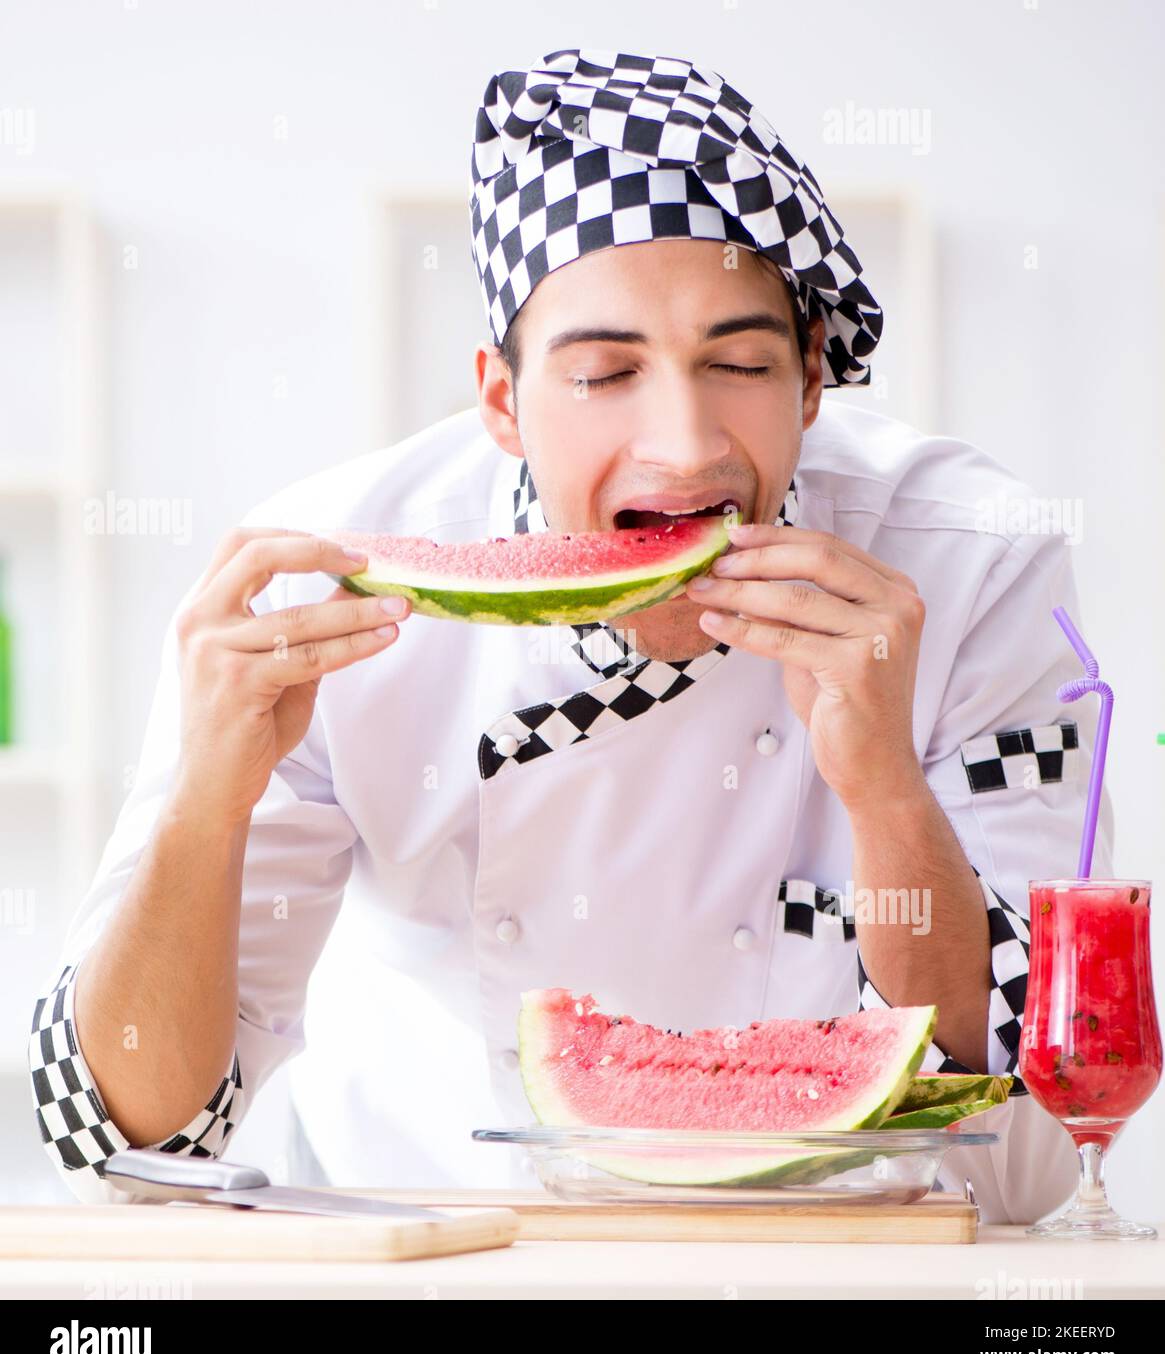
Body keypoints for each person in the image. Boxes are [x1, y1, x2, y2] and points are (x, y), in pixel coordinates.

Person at [29, 48, 1107, 1222]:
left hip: (839, 1270)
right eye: (604, 374)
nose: (686, 445)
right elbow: (127, 1142)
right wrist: (204, 801)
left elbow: (1027, 1161)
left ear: (810, 381)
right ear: (499, 398)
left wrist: (885, 792)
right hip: (438, 1257)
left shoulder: (968, 563)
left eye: (740, 363)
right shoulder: (322, 579)